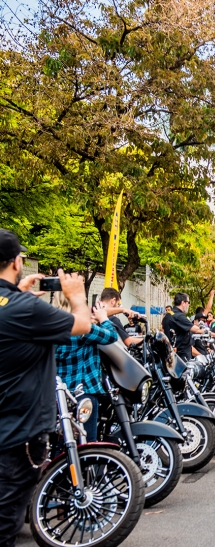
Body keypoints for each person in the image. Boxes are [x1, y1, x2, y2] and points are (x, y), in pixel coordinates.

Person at [0, 229, 92, 547]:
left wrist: (17, 293)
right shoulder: (24, 308)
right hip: (16, 435)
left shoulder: (16, 304)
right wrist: (77, 295)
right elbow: (82, 324)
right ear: (17, 262)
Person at [54, 294, 118, 442]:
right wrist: (103, 318)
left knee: (63, 441)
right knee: (87, 443)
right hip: (84, 391)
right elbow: (112, 336)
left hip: (61, 393)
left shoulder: (53, 324)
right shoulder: (81, 328)